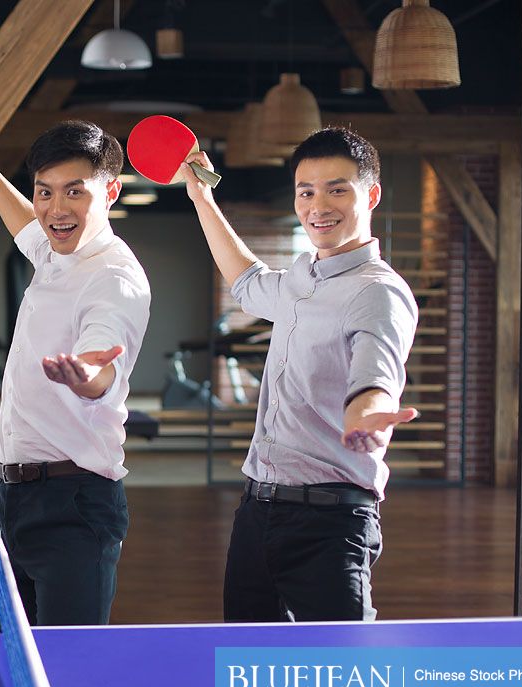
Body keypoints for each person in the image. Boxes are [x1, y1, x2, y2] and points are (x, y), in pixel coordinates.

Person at [179, 127, 419, 622]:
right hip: (257, 510)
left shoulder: (378, 292)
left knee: (339, 665)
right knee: (251, 660)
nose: (318, 206)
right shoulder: (300, 278)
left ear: (371, 195)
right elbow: (246, 281)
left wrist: (367, 415)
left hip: (329, 520)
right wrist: (202, 198)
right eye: (306, 192)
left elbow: (376, 374)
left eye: (337, 190)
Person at [0, 118, 151, 627]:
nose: (56, 209)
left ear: (111, 191)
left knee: (67, 661)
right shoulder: (54, 249)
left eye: (74, 192)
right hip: (7, 496)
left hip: (72, 504)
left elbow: (100, 360)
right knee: (0, 649)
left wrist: (85, 377)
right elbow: (25, 223)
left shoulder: (113, 277)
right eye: (45, 192)